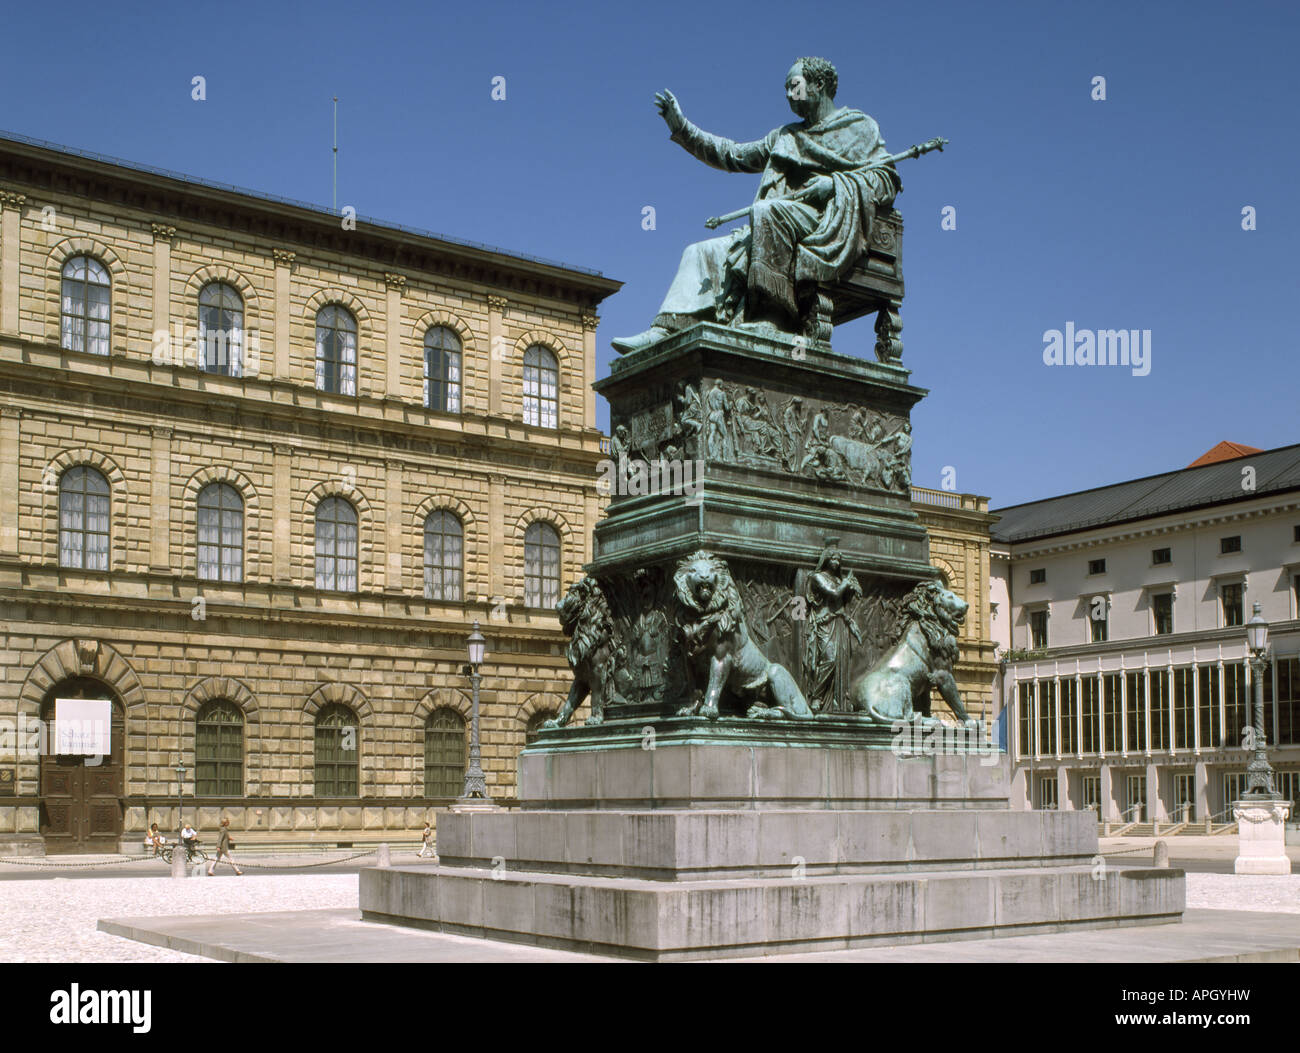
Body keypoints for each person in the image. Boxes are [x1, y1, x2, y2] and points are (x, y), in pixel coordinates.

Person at [612, 56, 900, 353]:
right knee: (700, 252)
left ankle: (773, 317)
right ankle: (666, 331)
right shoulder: (786, 136)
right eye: (786, 88)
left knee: (766, 211)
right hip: (778, 226)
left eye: (795, 86)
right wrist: (682, 128)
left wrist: (834, 185)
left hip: (828, 223)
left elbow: (885, 180)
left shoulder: (859, 127)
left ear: (819, 85)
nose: (789, 95)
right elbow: (732, 154)